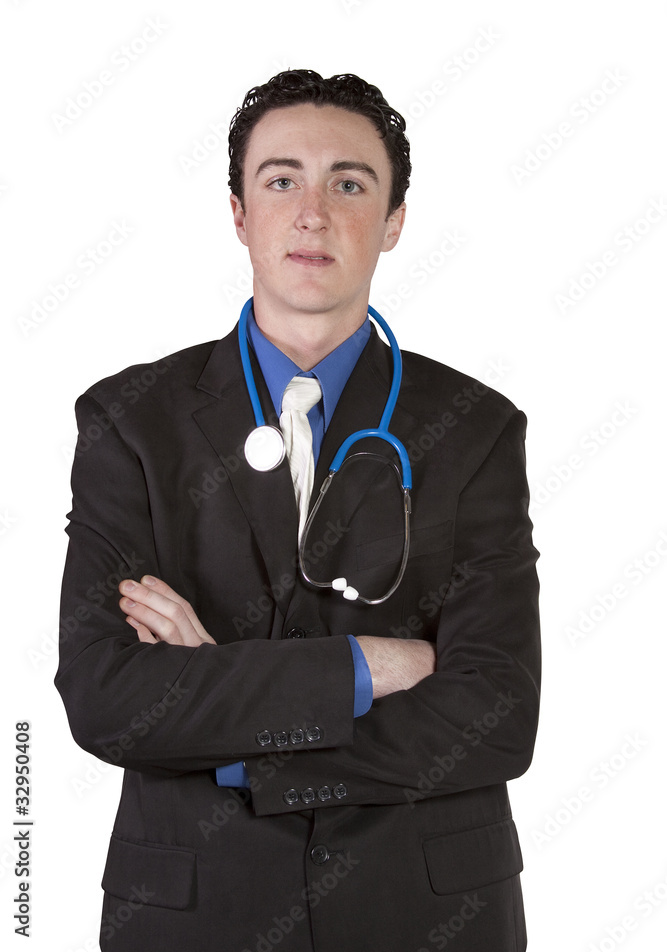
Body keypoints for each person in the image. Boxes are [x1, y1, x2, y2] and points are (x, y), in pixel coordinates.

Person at [56, 69, 540, 952]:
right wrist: (369, 664)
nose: (312, 212)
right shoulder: (130, 422)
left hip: (424, 910)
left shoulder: (472, 429)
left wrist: (230, 715)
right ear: (239, 213)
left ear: (393, 221)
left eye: (348, 184)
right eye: (281, 180)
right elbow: (108, 699)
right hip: (195, 909)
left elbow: (496, 713)